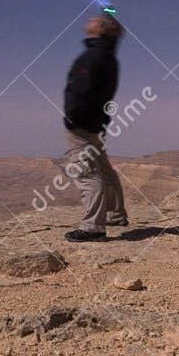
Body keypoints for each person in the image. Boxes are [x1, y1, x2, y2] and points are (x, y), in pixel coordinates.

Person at [61, 14, 130, 242]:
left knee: (86, 172)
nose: (90, 19)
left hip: (82, 123)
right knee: (102, 167)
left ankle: (93, 228)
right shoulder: (108, 56)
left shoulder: (94, 56)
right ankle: (115, 214)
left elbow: (82, 90)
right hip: (95, 122)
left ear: (100, 30)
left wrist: (72, 118)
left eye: (96, 20)